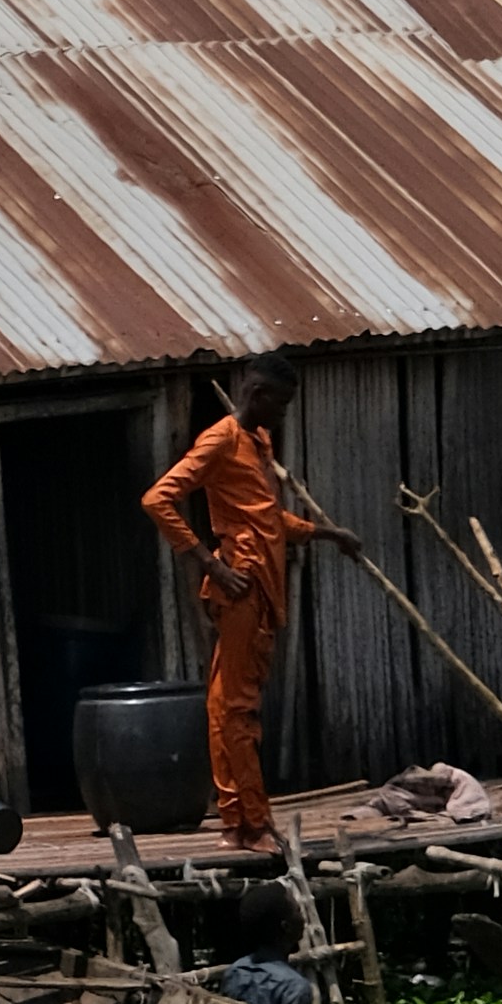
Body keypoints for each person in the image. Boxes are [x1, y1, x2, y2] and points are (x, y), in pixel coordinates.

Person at [144, 353, 331, 854]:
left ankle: (238, 821)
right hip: (241, 586)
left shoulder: (259, 441)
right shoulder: (220, 440)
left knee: (226, 705)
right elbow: (158, 499)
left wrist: (325, 534)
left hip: (263, 588)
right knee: (239, 710)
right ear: (258, 396)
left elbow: (269, 520)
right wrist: (210, 563)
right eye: (282, 404)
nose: (285, 415)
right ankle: (252, 824)